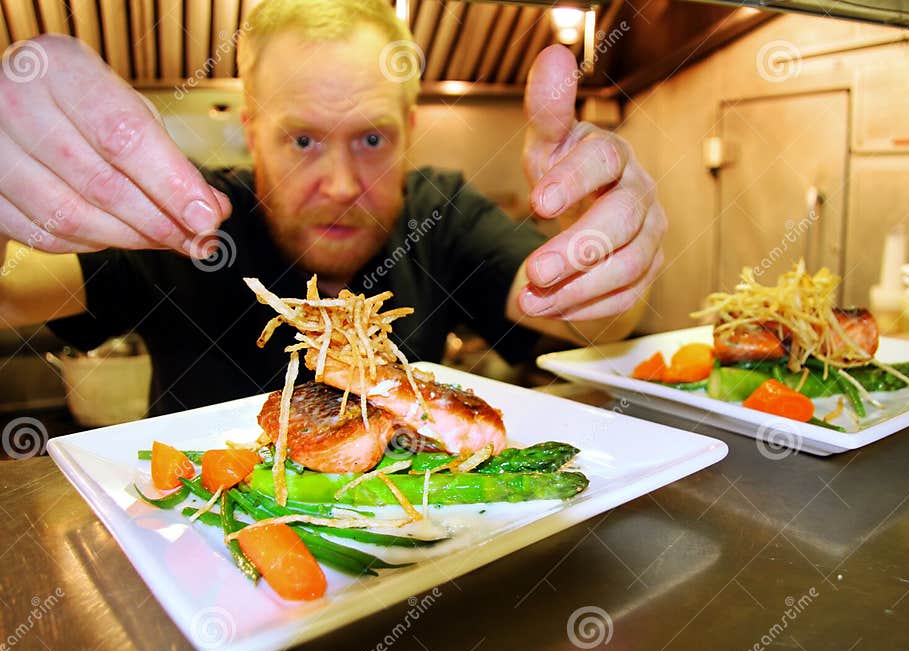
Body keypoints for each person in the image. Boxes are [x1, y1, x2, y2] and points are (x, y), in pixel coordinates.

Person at [0, 0, 667, 415]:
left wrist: (604, 249)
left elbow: (593, 324)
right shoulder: (184, 219)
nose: (343, 184)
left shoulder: (441, 213)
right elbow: (12, 294)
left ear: (410, 128)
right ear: (251, 129)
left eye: (373, 139)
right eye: (303, 140)